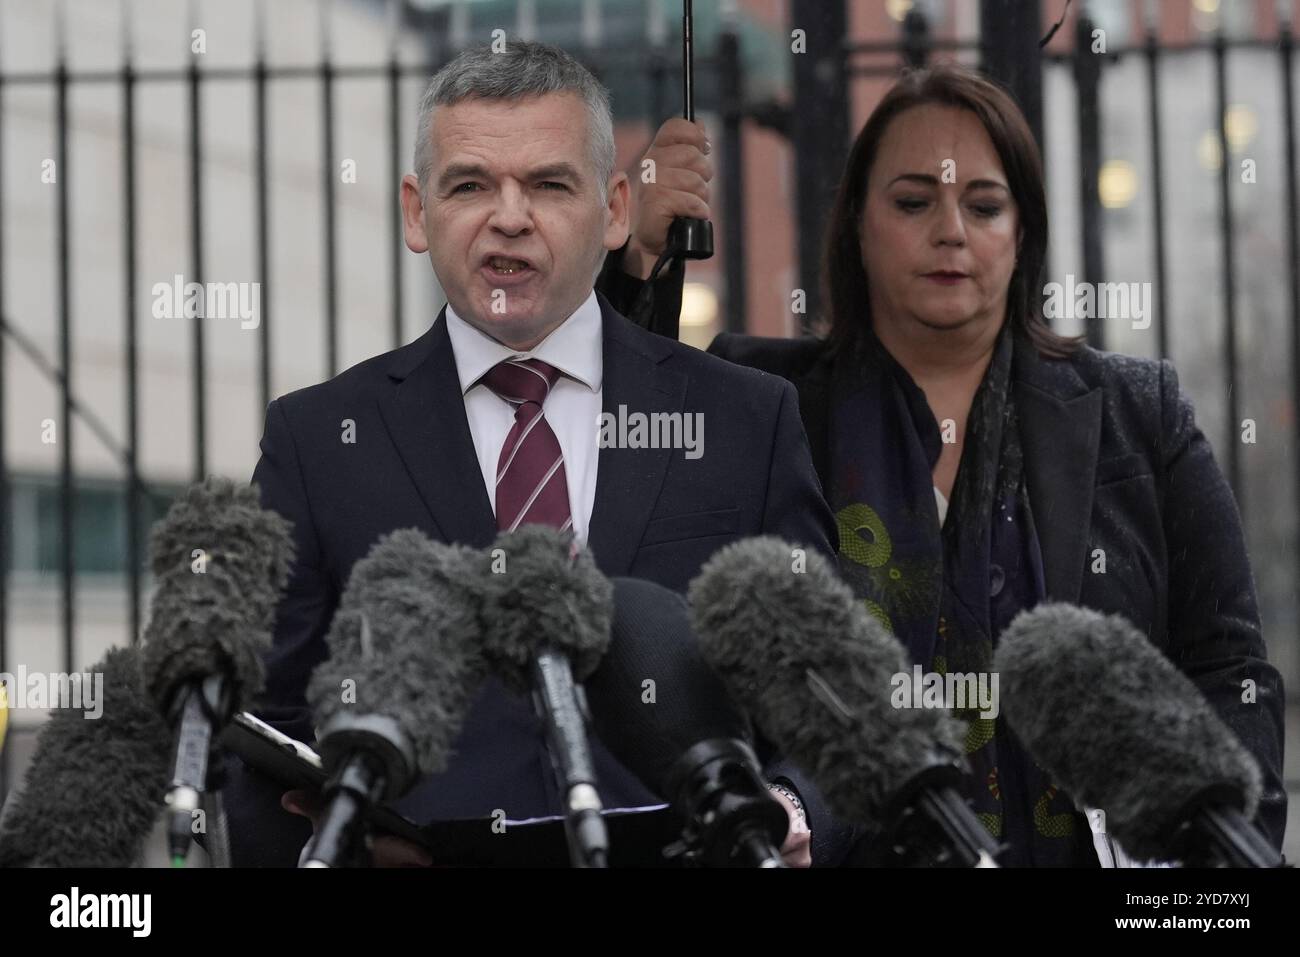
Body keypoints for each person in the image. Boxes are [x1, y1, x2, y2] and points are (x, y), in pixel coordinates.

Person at [226, 40, 840, 868]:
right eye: (471, 185)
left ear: (616, 209)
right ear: (417, 211)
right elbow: (259, 737)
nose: (509, 216)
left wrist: (793, 808)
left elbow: (830, 699)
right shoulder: (318, 440)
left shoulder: (745, 418)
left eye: (549, 185)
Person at [707, 63, 1286, 865]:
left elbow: (1230, 669)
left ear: (1022, 233)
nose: (951, 230)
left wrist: (1214, 875)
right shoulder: (766, 404)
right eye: (913, 202)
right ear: (857, 227)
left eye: (984, 205)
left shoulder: (1139, 413)